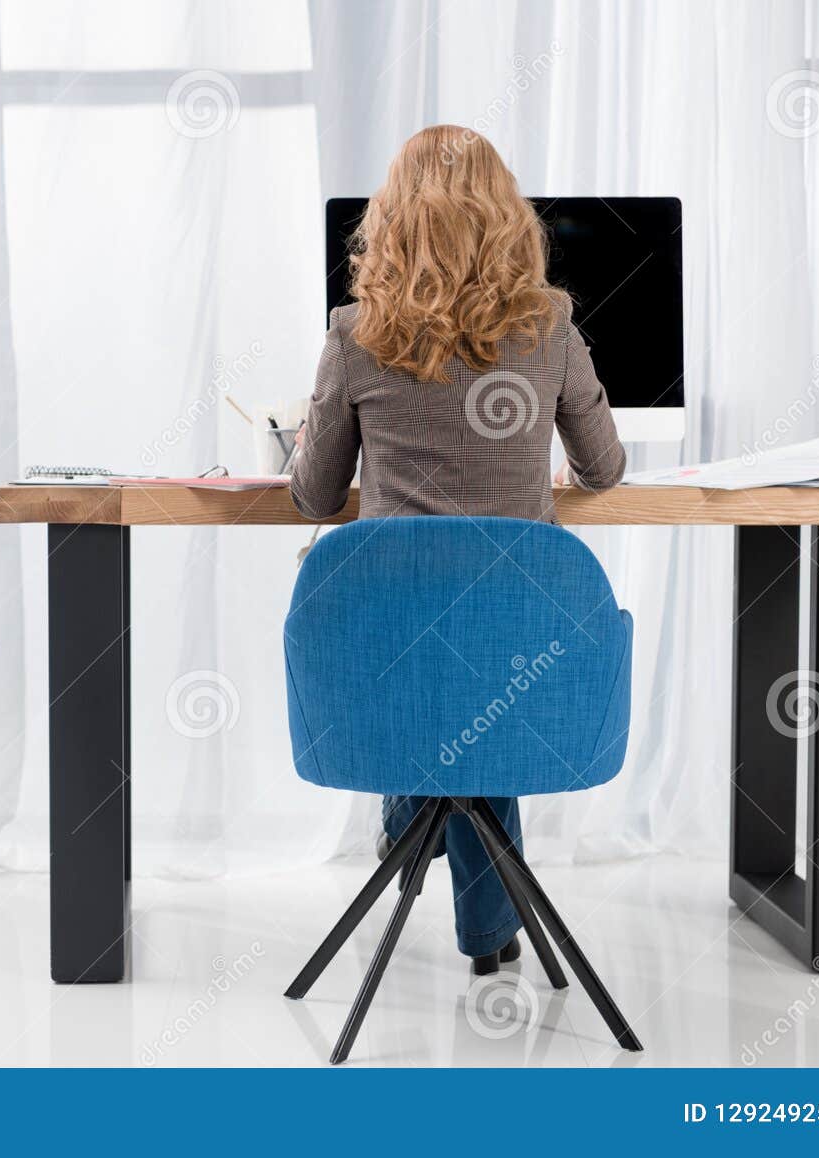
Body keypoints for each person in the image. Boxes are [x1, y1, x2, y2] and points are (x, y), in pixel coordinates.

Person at [289, 124, 625, 975]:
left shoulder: (353, 332)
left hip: (386, 651)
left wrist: (311, 432)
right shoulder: (550, 327)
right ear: (508, 219)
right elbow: (606, 469)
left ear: (391, 221)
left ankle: (411, 822)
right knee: (484, 663)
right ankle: (484, 928)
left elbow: (315, 497)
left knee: (442, 668)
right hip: (525, 640)